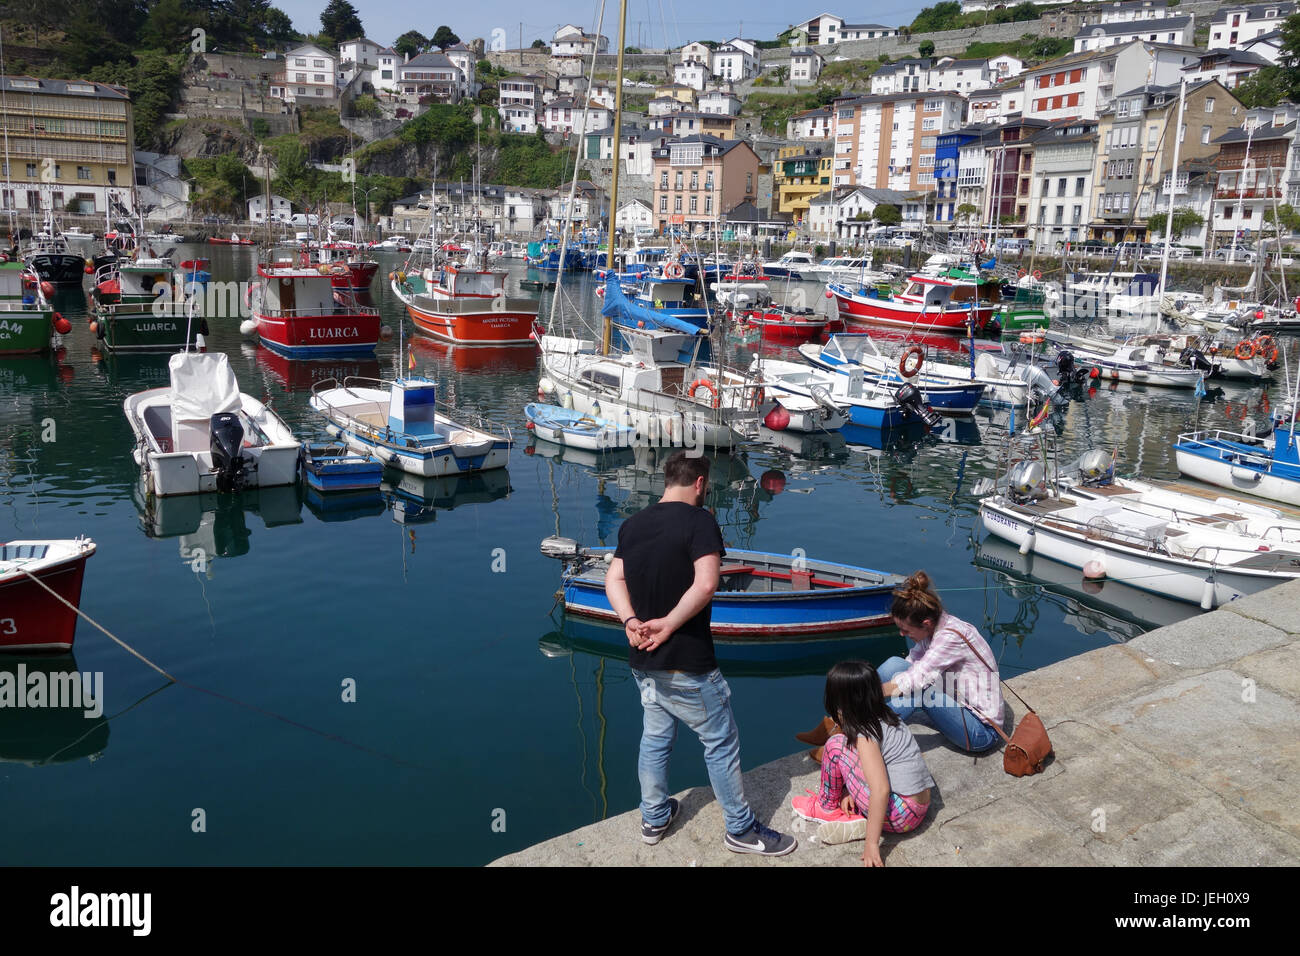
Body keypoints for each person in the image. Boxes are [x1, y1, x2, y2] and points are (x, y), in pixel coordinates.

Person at [605, 450, 796, 856]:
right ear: (699, 484)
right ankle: (740, 830)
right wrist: (671, 624)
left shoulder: (633, 524)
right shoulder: (700, 521)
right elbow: (707, 584)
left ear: (666, 479)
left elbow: (613, 579)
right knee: (720, 741)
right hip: (687, 660)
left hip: (643, 657)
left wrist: (629, 621)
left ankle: (654, 818)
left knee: (655, 737)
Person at [793, 571, 1004, 755]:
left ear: (926, 623)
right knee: (895, 663)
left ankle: (855, 739)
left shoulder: (950, 638)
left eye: (906, 630)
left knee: (919, 690)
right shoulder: (935, 627)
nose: (902, 634)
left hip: (981, 731)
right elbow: (909, 664)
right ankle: (840, 722)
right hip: (958, 705)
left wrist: (866, 693)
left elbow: (915, 680)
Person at [791, 661, 933, 866]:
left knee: (835, 745)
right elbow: (872, 764)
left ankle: (827, 807)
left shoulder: (866, 734)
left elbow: (881, 789)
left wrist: (872, 844)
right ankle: (856, 815)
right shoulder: (887, 716)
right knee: (847, 747)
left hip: (898, 815)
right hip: (918, 807)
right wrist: (852, 789)